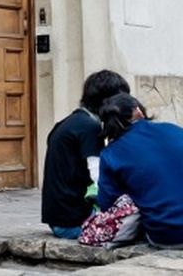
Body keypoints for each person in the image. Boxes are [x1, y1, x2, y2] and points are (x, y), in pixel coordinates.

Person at [97, 94, 183, 250]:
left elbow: (108, 205)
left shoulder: (110, 154)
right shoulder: (175, 130)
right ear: (138, 111)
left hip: (174, 236)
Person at [41, 70, 130, 239]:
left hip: (59, 220)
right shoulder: (90, 127)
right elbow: (99, 179)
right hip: (73, 222)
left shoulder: (68, 123)